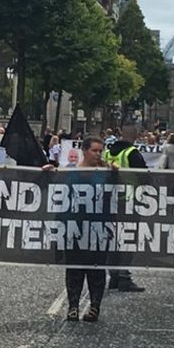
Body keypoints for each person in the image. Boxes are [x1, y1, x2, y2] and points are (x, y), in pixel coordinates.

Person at [63, 137, 110, 322]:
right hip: (74, 226)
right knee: (74, 268)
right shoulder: (68, 172)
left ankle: (94, 307)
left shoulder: (105, 172)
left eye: (100, 151)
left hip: (98, 227)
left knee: (96, 269)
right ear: (84, 150)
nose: (98, 154)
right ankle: (73, 306)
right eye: (95, 151)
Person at [103, 129, 146, 292]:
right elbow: (144, 176)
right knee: (128, 238)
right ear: (134, 138)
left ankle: (113, 276)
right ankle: (124, 277)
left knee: (112, 240)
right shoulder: (132, 153)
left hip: (109, 201)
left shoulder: (107, 153)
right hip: (129, 202)